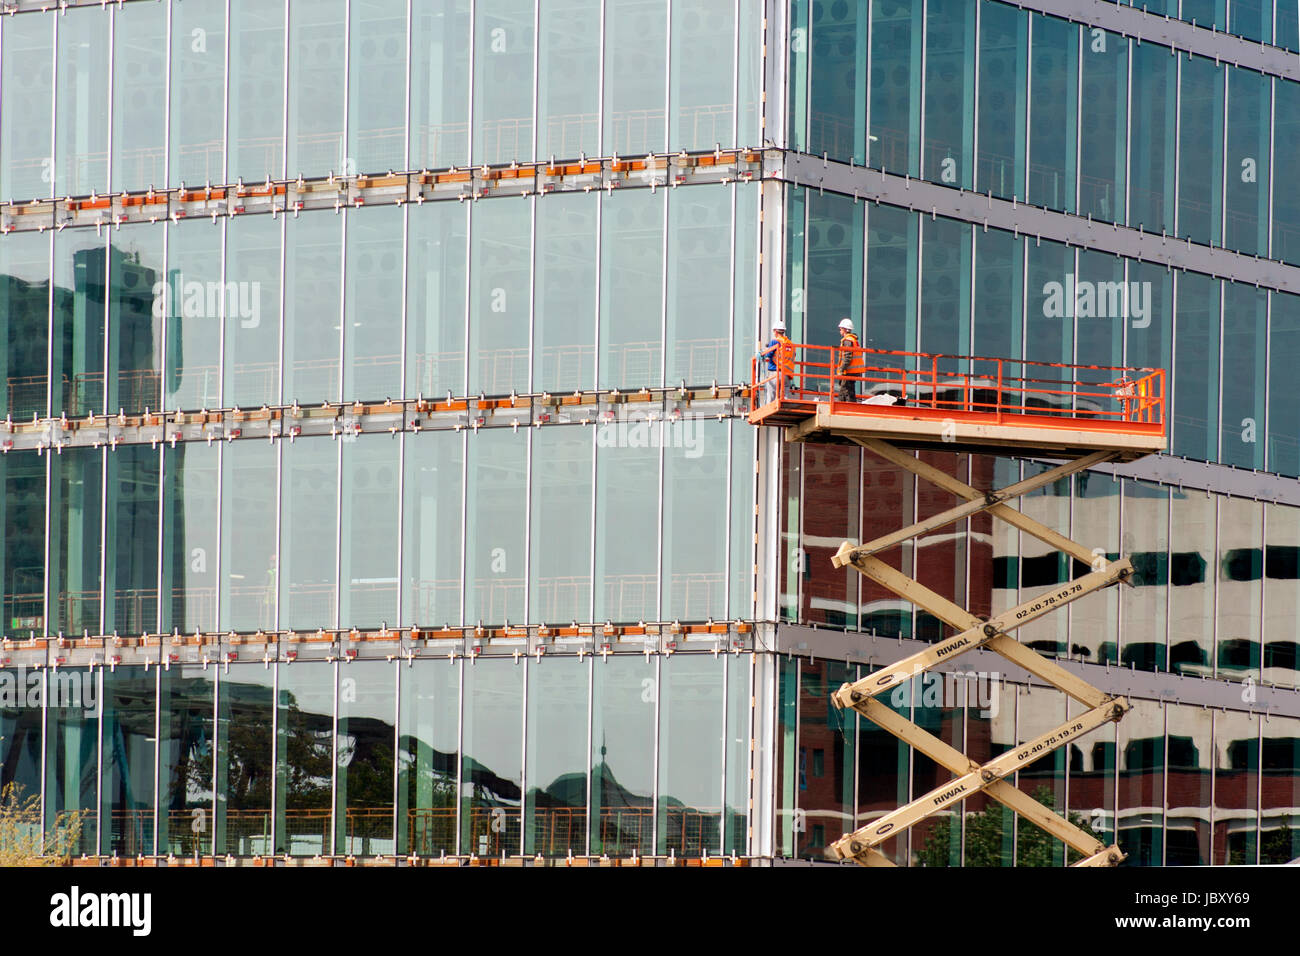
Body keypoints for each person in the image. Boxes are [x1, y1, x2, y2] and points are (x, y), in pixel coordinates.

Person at [761, 322, 795, 404]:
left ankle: (769, 413)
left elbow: (769, 355)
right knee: (784, 397)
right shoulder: (790, 344)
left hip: (775, 373)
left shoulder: (775, 341)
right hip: (786, 375)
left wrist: (762, 354)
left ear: (776, 331)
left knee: (771, 397)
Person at [836, 317, 865, 401]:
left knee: (844, 392)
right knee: (850, 391)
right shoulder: (853, 339)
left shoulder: (848, 340)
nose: (840, 331)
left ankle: (844, 409)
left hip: (849, 371)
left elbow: (847, 357)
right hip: (854, 371)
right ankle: (851, 407)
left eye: (841, 329)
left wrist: (841, 369)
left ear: (845, 329)